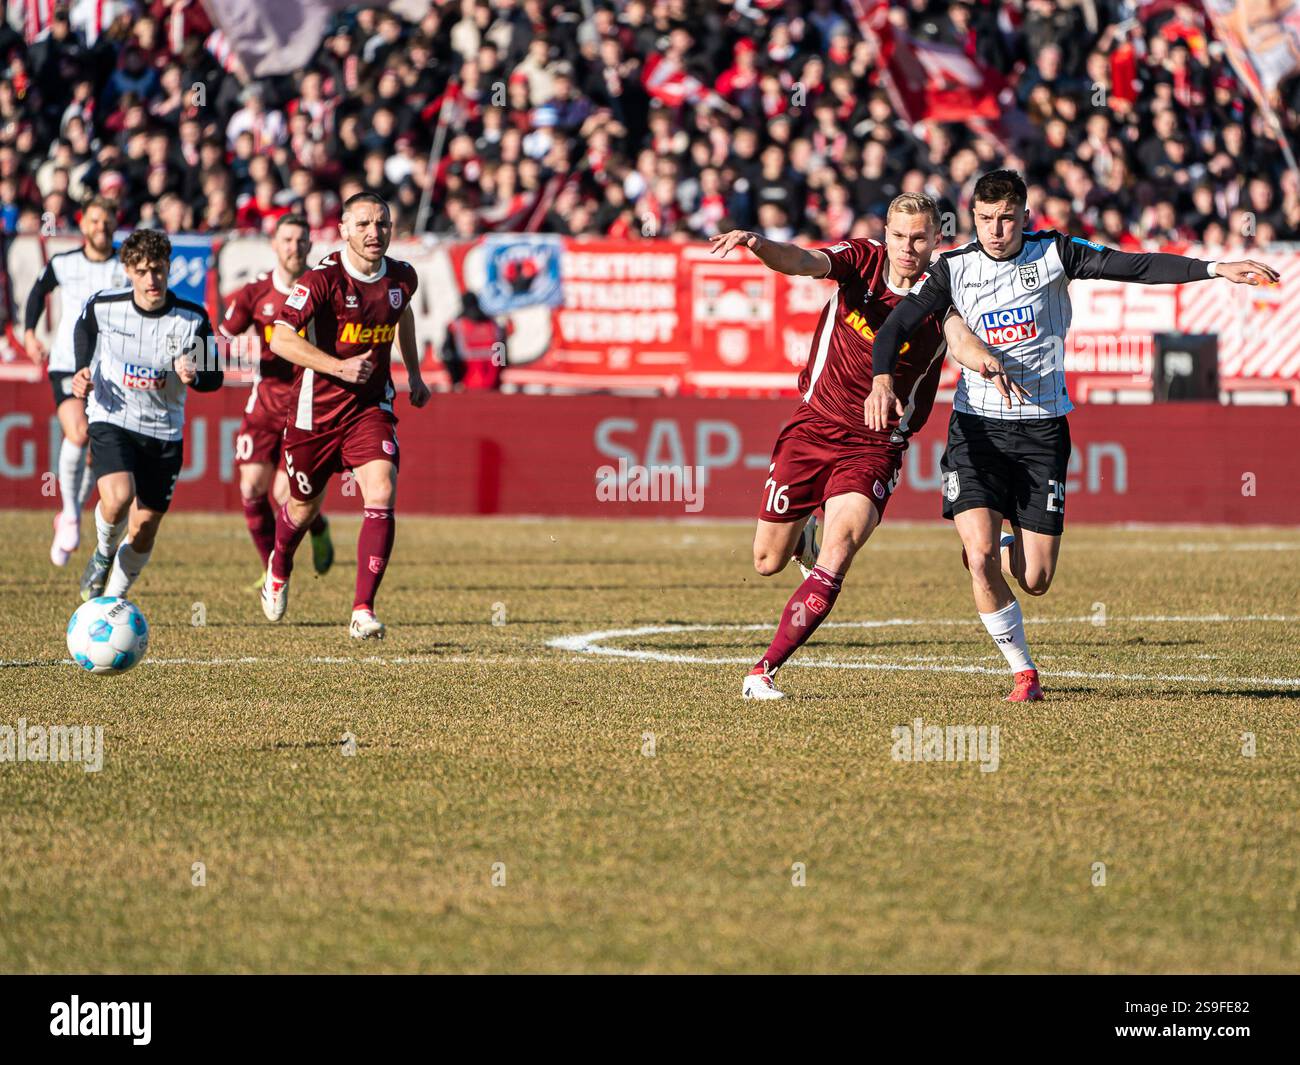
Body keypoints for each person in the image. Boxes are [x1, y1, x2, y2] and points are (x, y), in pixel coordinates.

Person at [872, 169, 1280, 701]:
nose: (997, 231)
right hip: (976, 430)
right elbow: (895, 326)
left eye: (1008, 219)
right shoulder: (953, 268)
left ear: (1024, 215)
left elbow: (1134, 266)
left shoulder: (1055, 253)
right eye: (987, 220)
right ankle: (1024, 671)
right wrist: (882, 379)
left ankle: (1004, 534)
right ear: (972, 218)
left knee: (1036, 579)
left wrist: (1215, 268)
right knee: (978, 558)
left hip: (1043, 431)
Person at [710, 193, 1006, 700]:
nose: (908, 248)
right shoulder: (862, 261)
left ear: (937, 239)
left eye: (919, 238)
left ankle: (762, 671)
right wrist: (759, 245)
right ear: (885, 234)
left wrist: (984, 359)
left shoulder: (945, 290)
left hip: (875, 445)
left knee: (840, 548)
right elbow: (804, 262)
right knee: (766, 561)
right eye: (899, 236)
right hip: (813, 426)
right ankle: (801, 539)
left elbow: (957, 339)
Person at [262, 192, 431, 639]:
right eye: (363, 225)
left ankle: (363, 610)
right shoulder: (322, 280)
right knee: (301, 507)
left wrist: (414, 373)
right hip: (313, 415)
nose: (374, 233)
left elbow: (402, 314)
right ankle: (278, 566)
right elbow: (280, 338)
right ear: (343, 230)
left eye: (382, 224)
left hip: (368, 408)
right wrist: (337, 366)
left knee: (382, 487)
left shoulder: (402, 277)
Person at [73, 229, 223, 601]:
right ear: (127, 270)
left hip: (163, 431)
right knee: (119, 496)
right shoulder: (105, 305)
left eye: (157, 269)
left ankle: (113, 600)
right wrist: (81, 369)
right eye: (141, 271)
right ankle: (103, 555)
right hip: (113, 415)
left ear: (169, 268)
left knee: (144, 528)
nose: (151, 279)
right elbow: (84, 327)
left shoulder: (192, 319)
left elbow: (214, 377)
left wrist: (195, 374)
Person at [218, 213, 334, 583]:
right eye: (287, 239)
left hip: (308, 405)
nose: (294, 246)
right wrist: (195, 360)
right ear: (274, 245)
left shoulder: (326, 287)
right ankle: (272, 570)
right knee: (251, 487)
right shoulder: (254, 292)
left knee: (289, 496)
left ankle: (316, 525)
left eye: (301, 240)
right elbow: (222, 339)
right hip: (265, 401)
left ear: (310, 245)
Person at [22, 197, 127, 566]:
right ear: (84, 225)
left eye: (107, 221)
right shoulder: (64, 263)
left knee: (95, 452)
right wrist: (30, 333)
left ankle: (72, 513)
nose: (101, 227)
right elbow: (37, 293)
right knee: (78, 433)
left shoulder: (126, 266)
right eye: (95, 221)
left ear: (115, 224)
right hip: (68, 364)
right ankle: (69, 513)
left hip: (111, 370)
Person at [441, 292, 507, 390]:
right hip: (493, 383)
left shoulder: (456, 325)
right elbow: (503, 354)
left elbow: (447, 353)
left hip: (466, 383)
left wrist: (455, 380)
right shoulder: (493, 324)